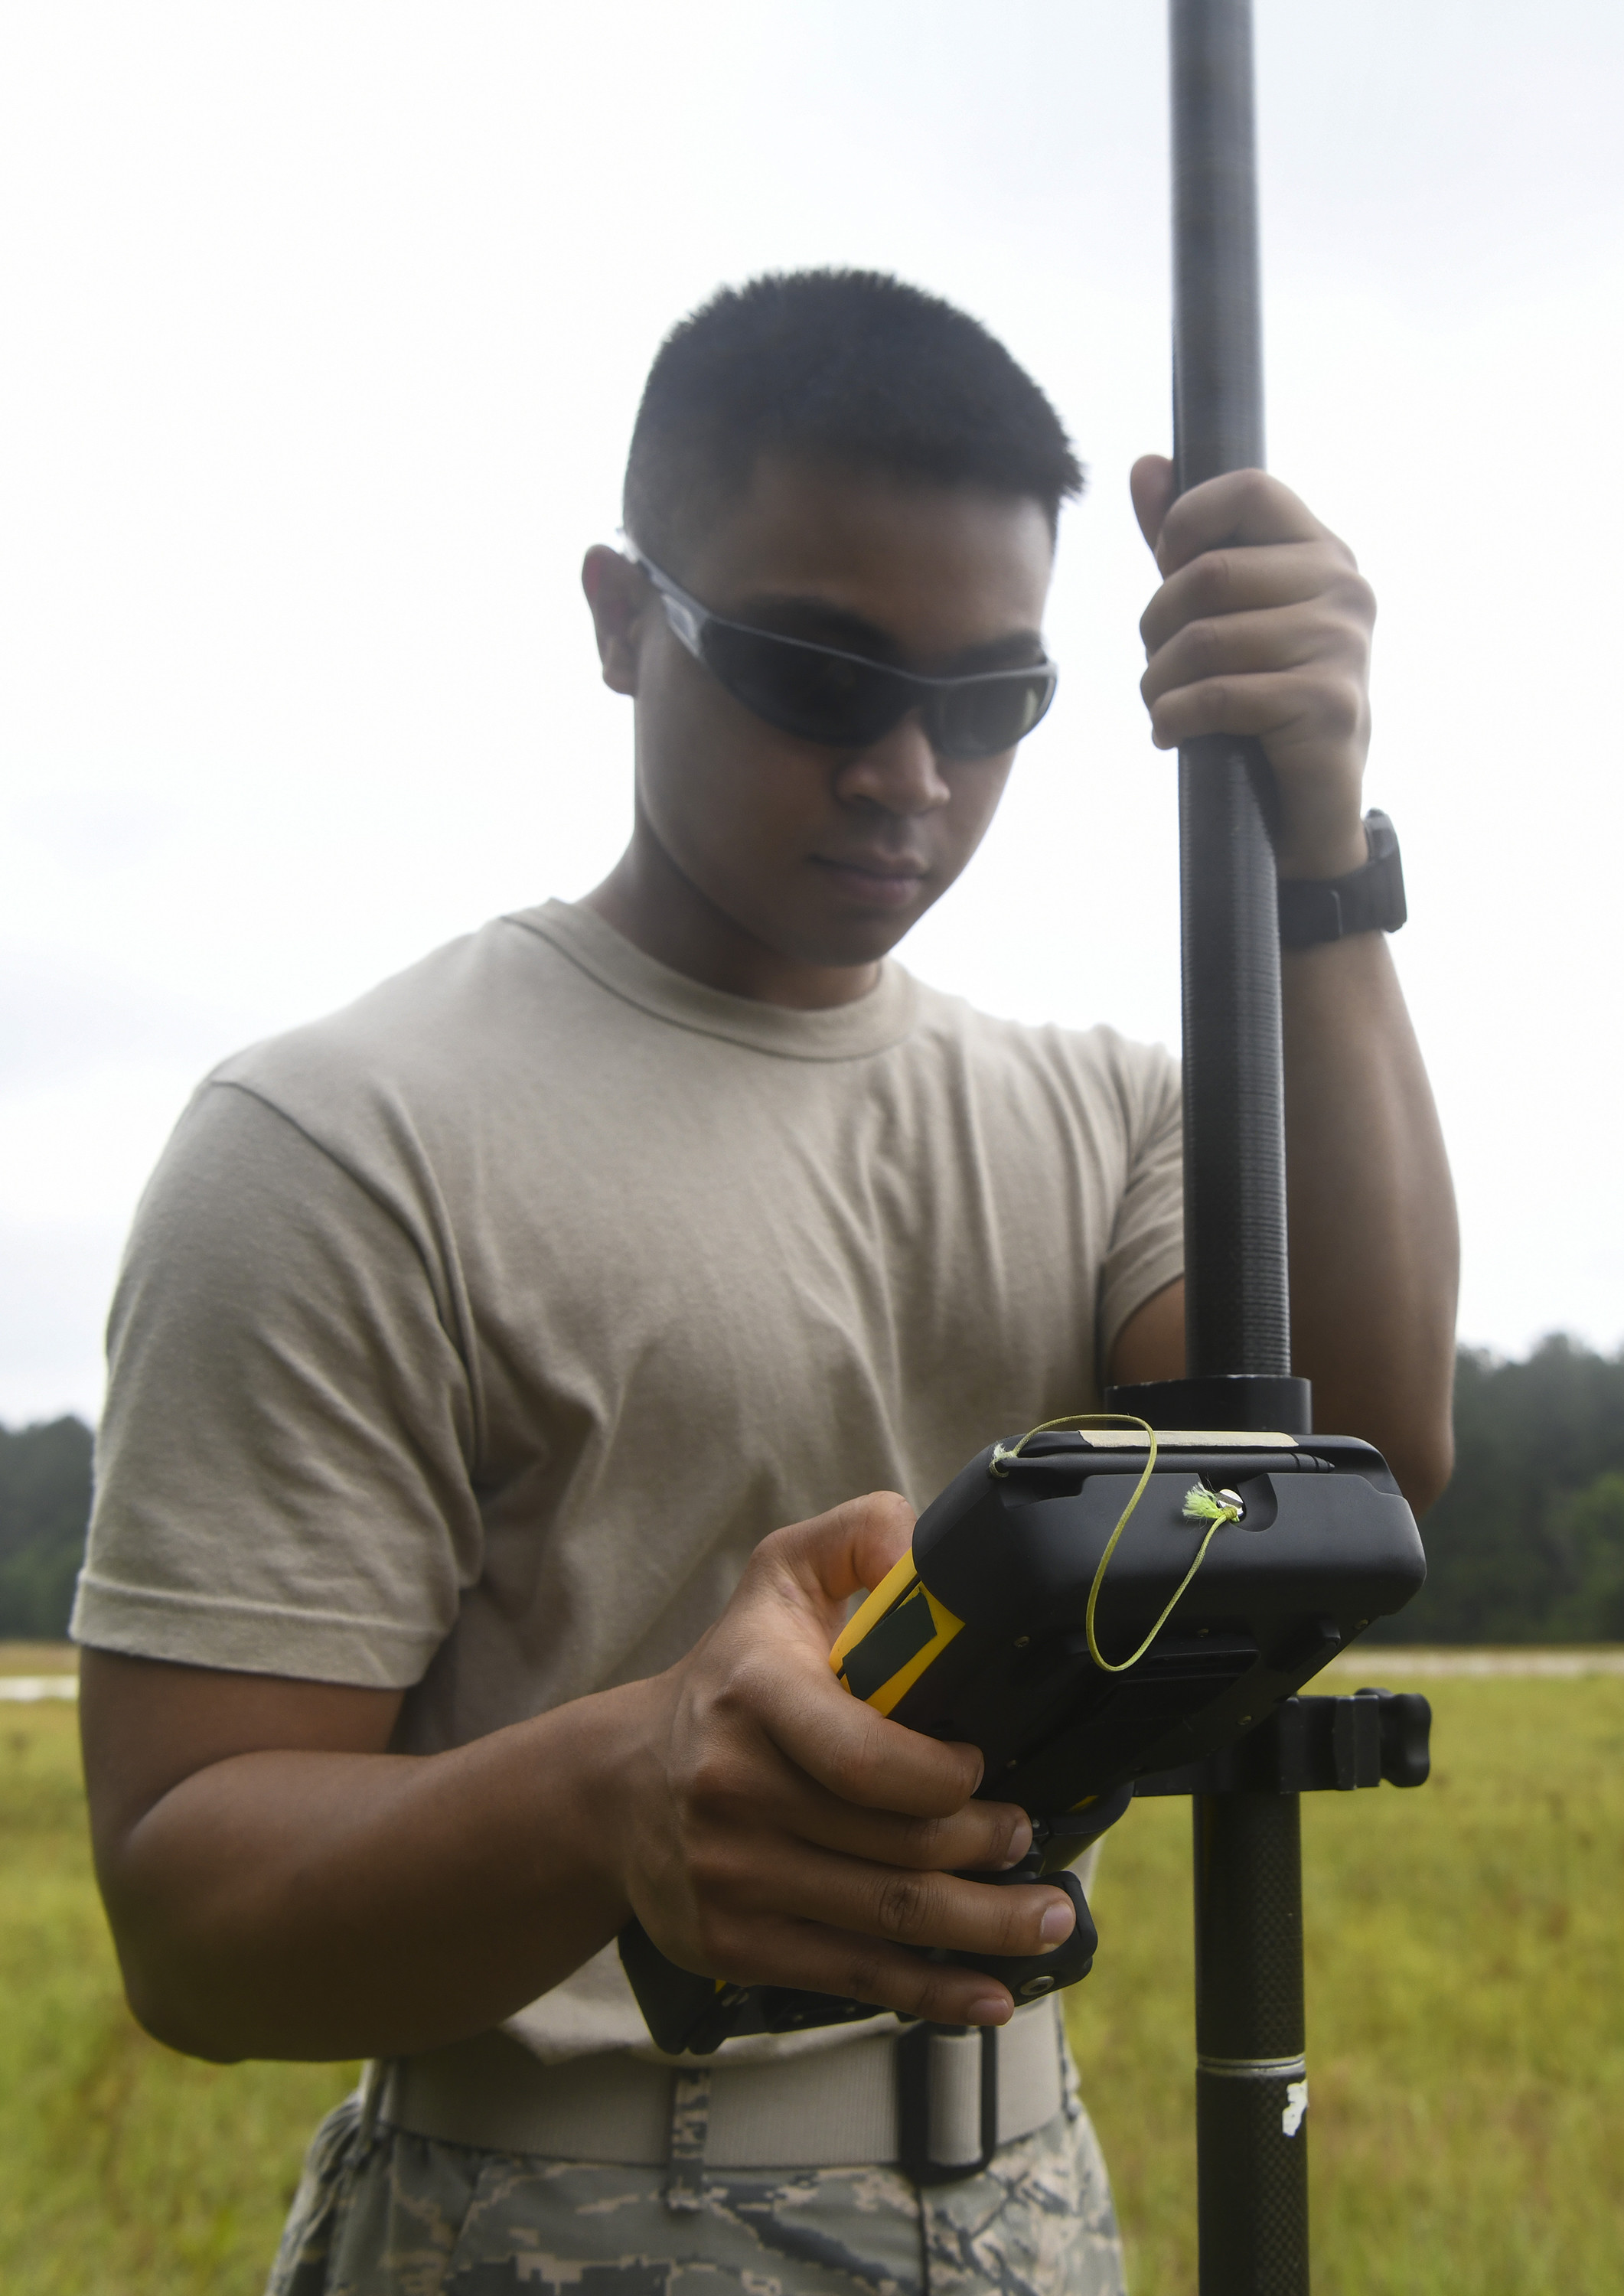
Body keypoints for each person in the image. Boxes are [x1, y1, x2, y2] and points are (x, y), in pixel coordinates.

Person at [74, 269, 1457, 2294]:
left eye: (992, 702)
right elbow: (193, 1916)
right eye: (820, 672)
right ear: (624, 620)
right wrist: (609, 1792)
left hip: (1032, 2203)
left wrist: (1318, 838)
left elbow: (1363, 1461)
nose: (909, 770)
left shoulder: (1106, 1121)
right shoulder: (342, 1137)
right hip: (540, 2213)